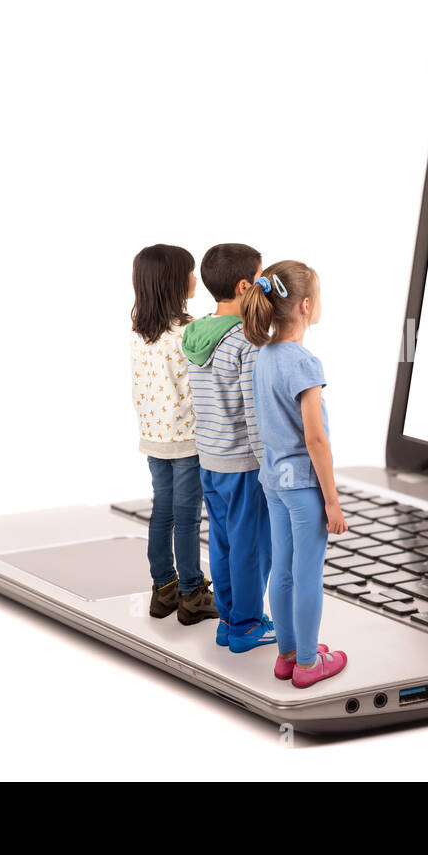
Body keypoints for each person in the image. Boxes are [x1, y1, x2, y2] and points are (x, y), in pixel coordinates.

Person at [240, 261, 347, 687]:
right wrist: (332, 500)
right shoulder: (304, 363)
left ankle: (286, 653)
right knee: (308, 573)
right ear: (305, 305)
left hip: (272, 480)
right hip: (303, 486)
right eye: (318, 297)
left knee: (281, 569)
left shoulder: (263, 357)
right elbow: (315, 440)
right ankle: (307, 663)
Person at [180, 243, 276, 653]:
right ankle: (247, 626)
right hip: (243, 463)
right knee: (251, 546)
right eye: (259, 279)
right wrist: (266, 462)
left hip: (209, 460)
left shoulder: (195, 333)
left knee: (221, 542)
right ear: (243, 285)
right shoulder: (246, 343)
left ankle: (228, 618)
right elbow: (254, 412)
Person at [129, 244, 218, 624]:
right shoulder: (188, 331)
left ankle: (163, 588)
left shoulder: (139, 332)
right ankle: (192, 593)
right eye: (189, 272)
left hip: (154, 436)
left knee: (161, 512)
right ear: (173, 283)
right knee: (186, 518)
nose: (194, 278)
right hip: (186, 439)